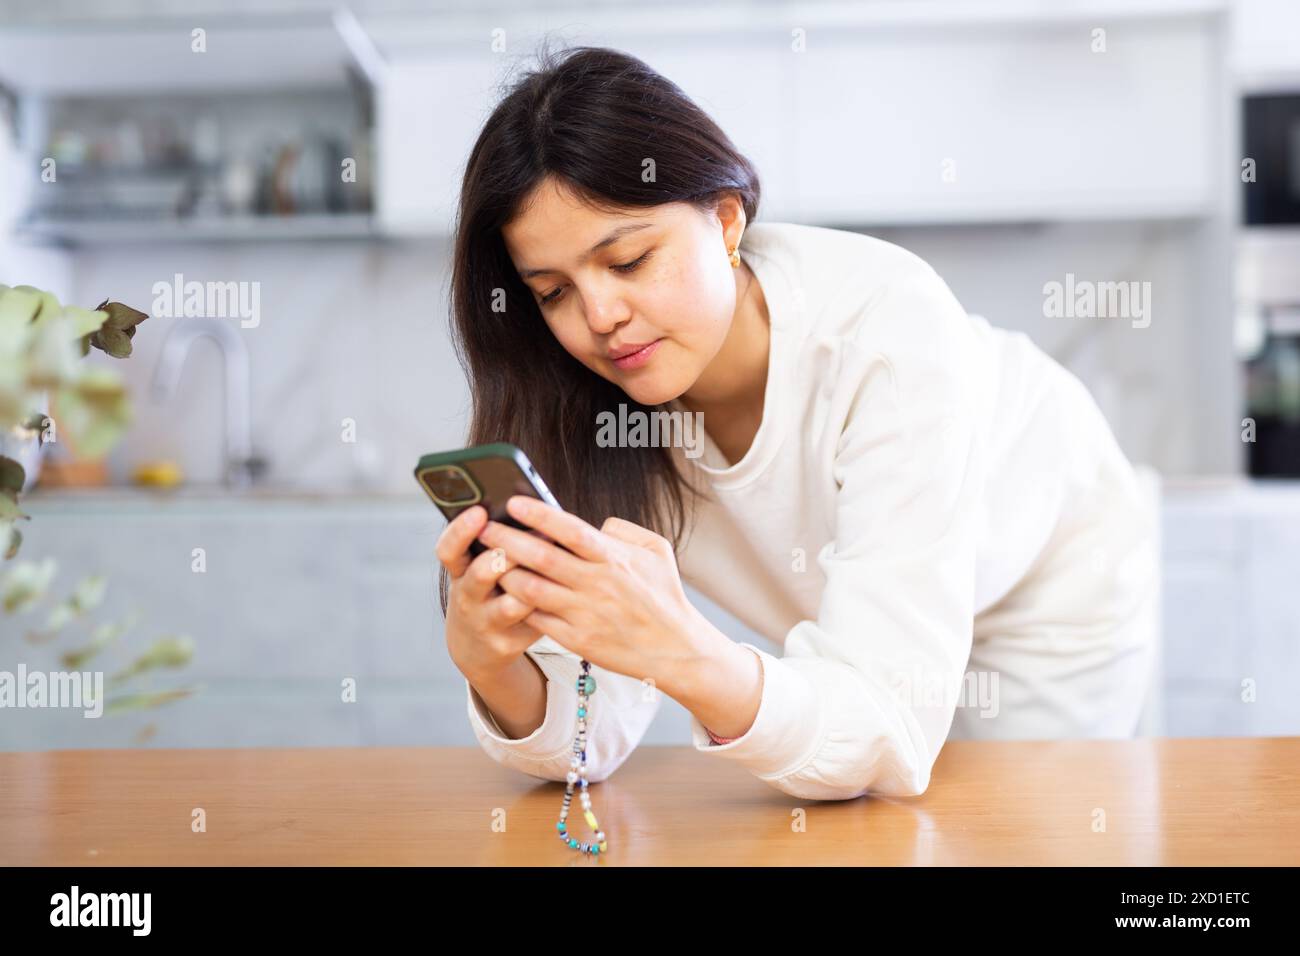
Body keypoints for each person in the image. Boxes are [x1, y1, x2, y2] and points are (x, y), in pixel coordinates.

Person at [434, 45, 1158, 802]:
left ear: (724, 220)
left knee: (1014, 828)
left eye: (629, 262)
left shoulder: (888, 331)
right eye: (552, 292)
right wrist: (496, 665)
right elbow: (593, 736)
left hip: (1045, 590)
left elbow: (885, 731)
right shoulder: (595, 398)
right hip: (873, 635)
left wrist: (683, 652)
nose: (600, 318)